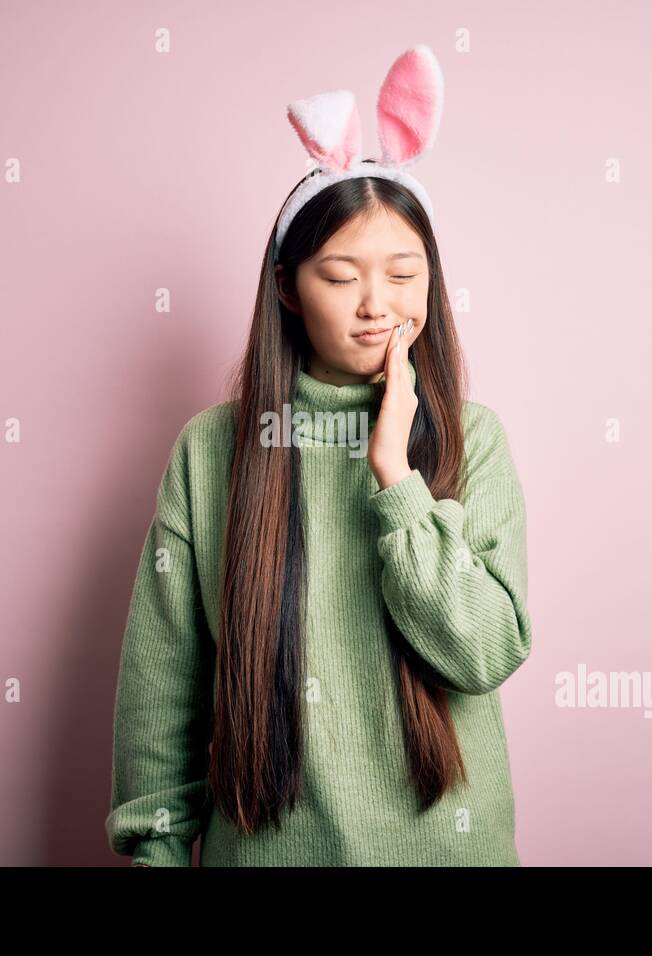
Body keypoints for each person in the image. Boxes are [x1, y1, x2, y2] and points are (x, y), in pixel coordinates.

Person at [105, 45, 532, 866]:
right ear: (288, 289)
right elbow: (162, 697)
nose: (379, 305)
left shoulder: (475, 440)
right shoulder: (212, 452)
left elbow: (483, 653)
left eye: (405, 274)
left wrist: (397, 479)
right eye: (342, 276)